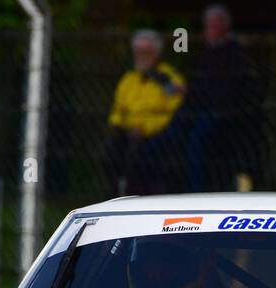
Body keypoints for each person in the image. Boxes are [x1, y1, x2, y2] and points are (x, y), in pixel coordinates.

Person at [176, 5, 259, 192]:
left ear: (225, 27)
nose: (209, 29)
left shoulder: (236, 54)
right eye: (207, 24)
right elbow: (196, 88)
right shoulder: (204, 53)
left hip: (225, 115)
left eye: (214, 24)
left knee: (197, 140)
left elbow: (232, 93)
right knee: (169, 133)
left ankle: (195, 191)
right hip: (198, 112)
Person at [106, 30, 186, 194]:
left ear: (156, 53)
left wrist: (145, 128)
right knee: (109, 152)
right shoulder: (129, 79)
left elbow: (173, 113)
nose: (141, 56)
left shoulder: (168, 79)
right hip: (128, 131)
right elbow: (118, 110)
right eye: (138, 52)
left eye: (146, 52)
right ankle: (113, 196)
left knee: (144, 157)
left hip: (156, 133)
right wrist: (116, 125)